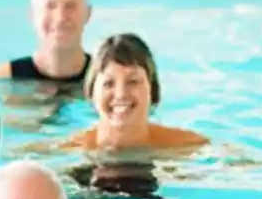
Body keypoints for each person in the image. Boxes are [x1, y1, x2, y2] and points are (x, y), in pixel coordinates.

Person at [62, 34, 208, 151]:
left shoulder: (188, 147)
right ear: (91, 93)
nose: (120, 94)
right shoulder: (72, 151)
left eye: (133, 82)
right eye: (109, 84)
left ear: (152, 89)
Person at [0, 0, 93, 83]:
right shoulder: (2, 78)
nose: (60, 17)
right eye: (50, 6)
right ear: (32, 15)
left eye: (70, 6)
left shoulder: (105, 76)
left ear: (88, 14)